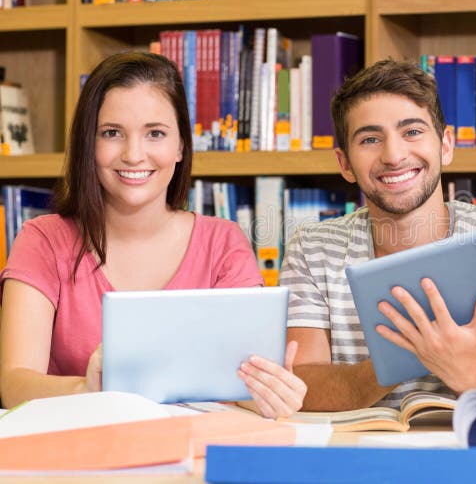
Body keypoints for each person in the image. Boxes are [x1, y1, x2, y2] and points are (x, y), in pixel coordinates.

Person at [0, 52, 306, 417]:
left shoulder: (223, 243)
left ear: (180, 146)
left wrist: (268, 390)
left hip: (192, 456)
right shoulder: (42, 239)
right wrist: (87, 387)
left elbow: (238, 385)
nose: (133, 154)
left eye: (155, 134)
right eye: (112, 133)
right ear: (88, 143)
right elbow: (13, 384)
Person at [282, 59, 476, 411]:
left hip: (471, 450)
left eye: (412, 131)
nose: (394, 155)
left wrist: (463, 367)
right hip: (355, 450)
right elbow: (303, 384)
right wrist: (403, 357)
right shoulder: (312, 247)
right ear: (345, 164)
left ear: (446, 145)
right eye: (370, 139)